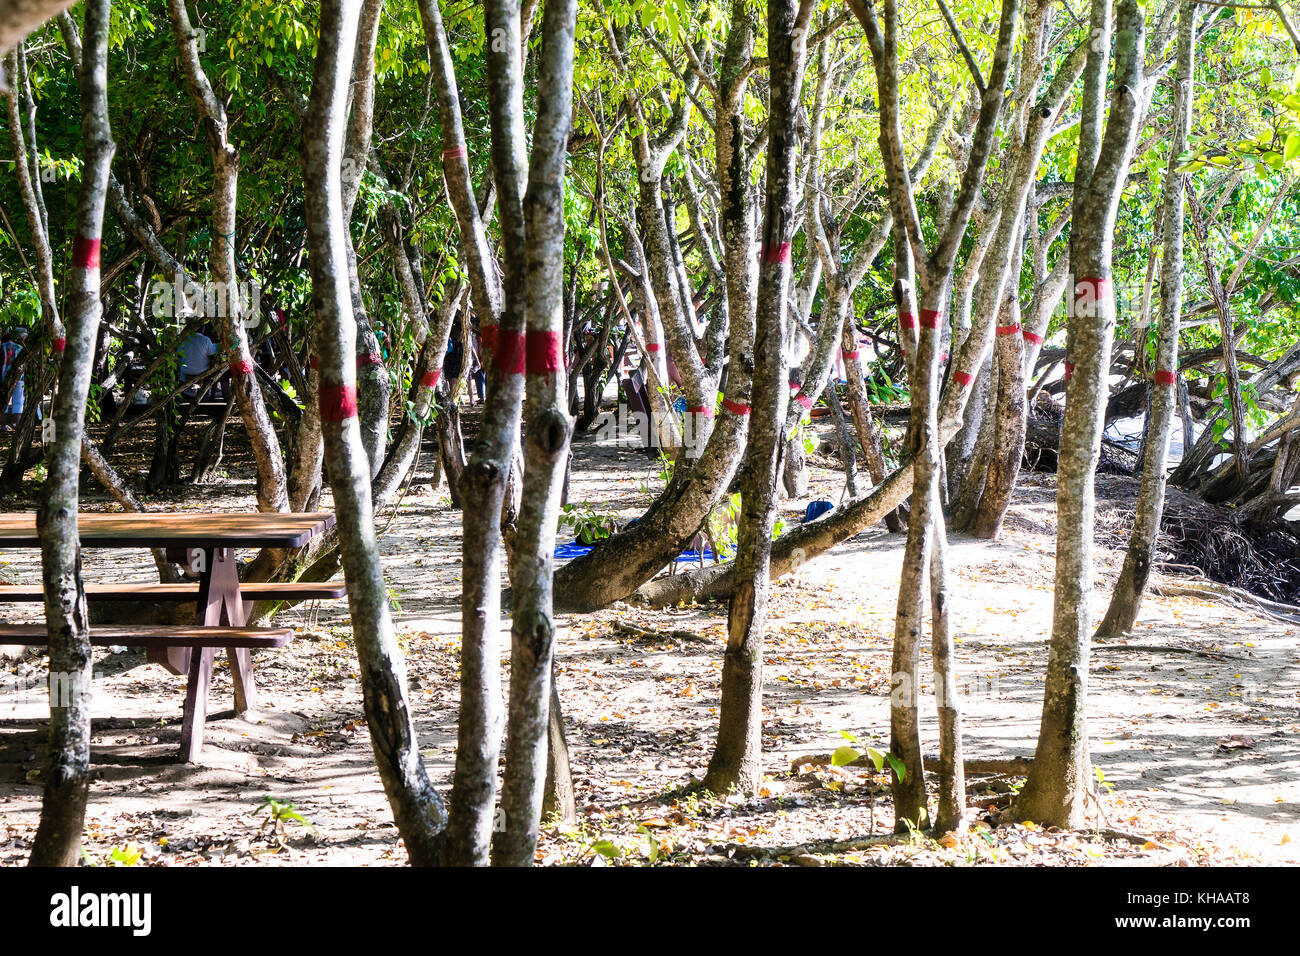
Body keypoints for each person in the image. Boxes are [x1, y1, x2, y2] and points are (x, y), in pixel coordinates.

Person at [178, 325, 219, 398]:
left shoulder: (184, 340)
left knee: (181, 364)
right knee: (215, 368)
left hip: (186, 371)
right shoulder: (205, 339)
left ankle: (180, 392)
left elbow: (178, 353)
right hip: (202, 371)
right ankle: (209, 394)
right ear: (203, 329)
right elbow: (212, 352)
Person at [1, 328, 27, 428]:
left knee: (4, 401)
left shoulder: (2, 347)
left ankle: (2, 425)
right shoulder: (20, 348)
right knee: (18, 401)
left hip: (4, 378)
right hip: (19, 378)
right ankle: (16, 424)